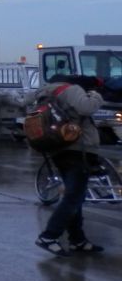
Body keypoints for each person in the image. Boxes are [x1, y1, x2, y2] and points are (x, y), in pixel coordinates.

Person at [35, 75, 106, 257]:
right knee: (74, 197)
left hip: (59, 149)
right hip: (77, 149)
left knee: (75, 196)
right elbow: (87, 107)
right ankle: (49, 236)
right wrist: (95, 95)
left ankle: (77, 239)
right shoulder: (71, 90)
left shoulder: (44, 92)